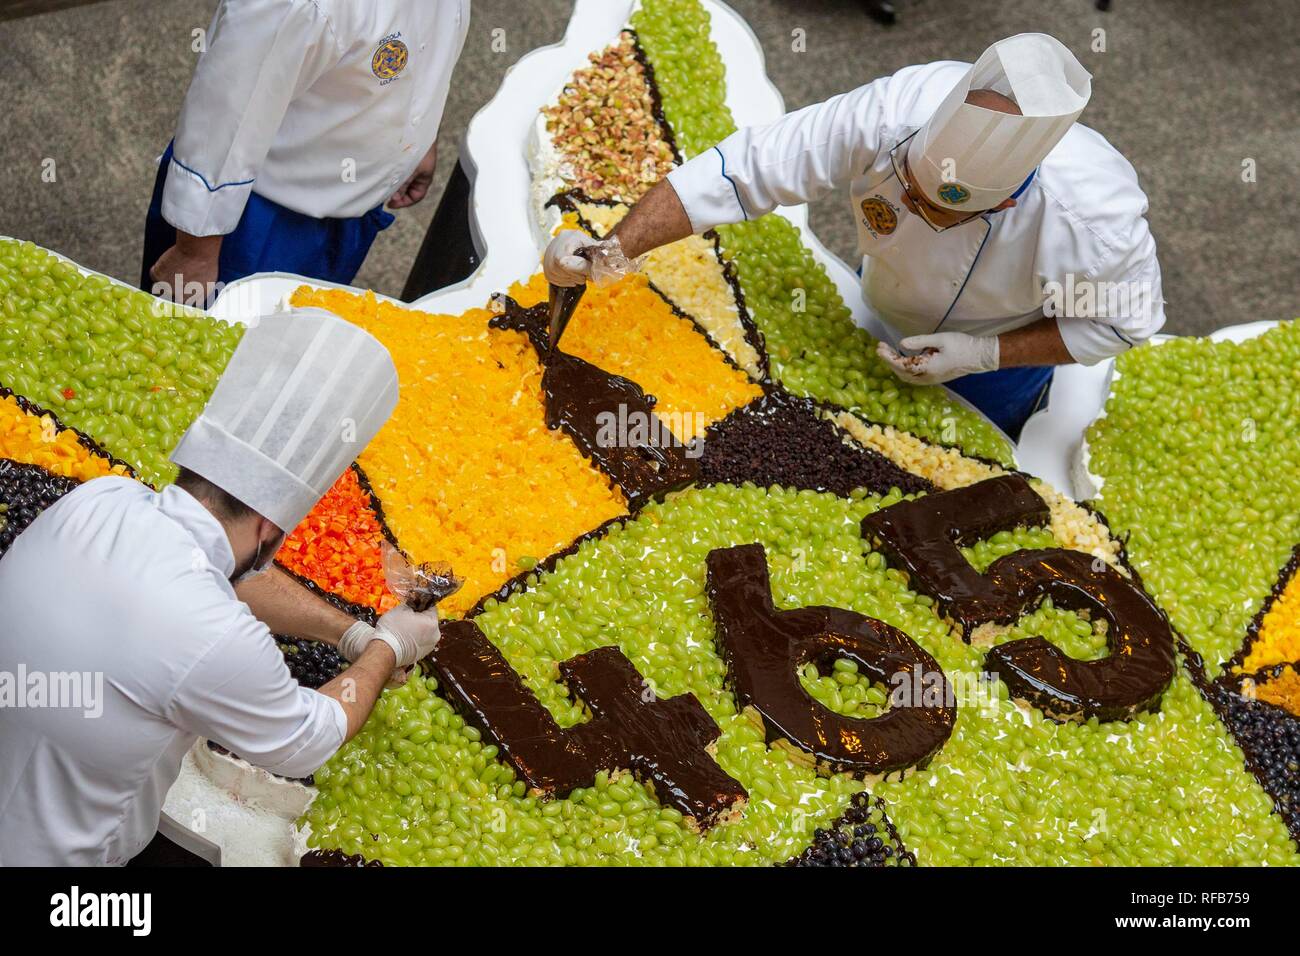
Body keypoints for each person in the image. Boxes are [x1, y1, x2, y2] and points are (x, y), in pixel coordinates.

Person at [543, 33, 1165, 439]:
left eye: (945, 213)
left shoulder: (1094, 222)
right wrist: (613, 248)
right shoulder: (894, 111)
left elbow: (1122, 323)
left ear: (1010, 197)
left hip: (997, 358)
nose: (920, 214)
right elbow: (745, 169)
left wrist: (982, 355)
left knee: (973, 455)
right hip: (881, 300)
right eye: (912, 192)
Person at [0, 308, 436, 866]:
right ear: (269, 531)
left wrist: (348, 632)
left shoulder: (99, 501)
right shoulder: (217, 638)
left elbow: (215, 580)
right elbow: (311, 736)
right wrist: (389, 647)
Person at [141, 0, 470, 304]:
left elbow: (432, 44)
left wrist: (422, 140)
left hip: (345, 219)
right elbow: (225, 115)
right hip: (250, 223)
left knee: (284, 347)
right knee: (201, 354)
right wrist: (193, 252)